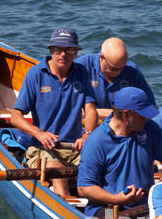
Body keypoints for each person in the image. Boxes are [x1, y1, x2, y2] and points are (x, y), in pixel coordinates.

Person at [7, 28, 99, 196]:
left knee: (103, 167)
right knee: (58, 172)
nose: (63, 54)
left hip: (75, 148)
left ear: (76, 52)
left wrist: (87, 135)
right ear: (51, 50)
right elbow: (15, 117)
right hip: (42, 149)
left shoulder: (81, 73)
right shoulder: (35, 74)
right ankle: (67, 211)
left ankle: (104, 209)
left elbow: (91, 109)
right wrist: (40, 134)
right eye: (58, 49)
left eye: (69, 50)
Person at [76, 87, 162, 219]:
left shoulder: (150, 128)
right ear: (126, 115)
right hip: (107, 207)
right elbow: (84, 188)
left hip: (146, 206)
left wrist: (159, 192)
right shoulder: (96, 142)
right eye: (143, 114)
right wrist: (117, 199)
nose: (147, 118)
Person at [76, 37, 156, 116]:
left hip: (122, 122)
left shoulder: (132, 70)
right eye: (113, 68)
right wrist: (114, 115)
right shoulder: (83, 66)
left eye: (122, 68)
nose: (118, 73)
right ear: (101, 57)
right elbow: (72, 109)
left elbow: (150, 106)